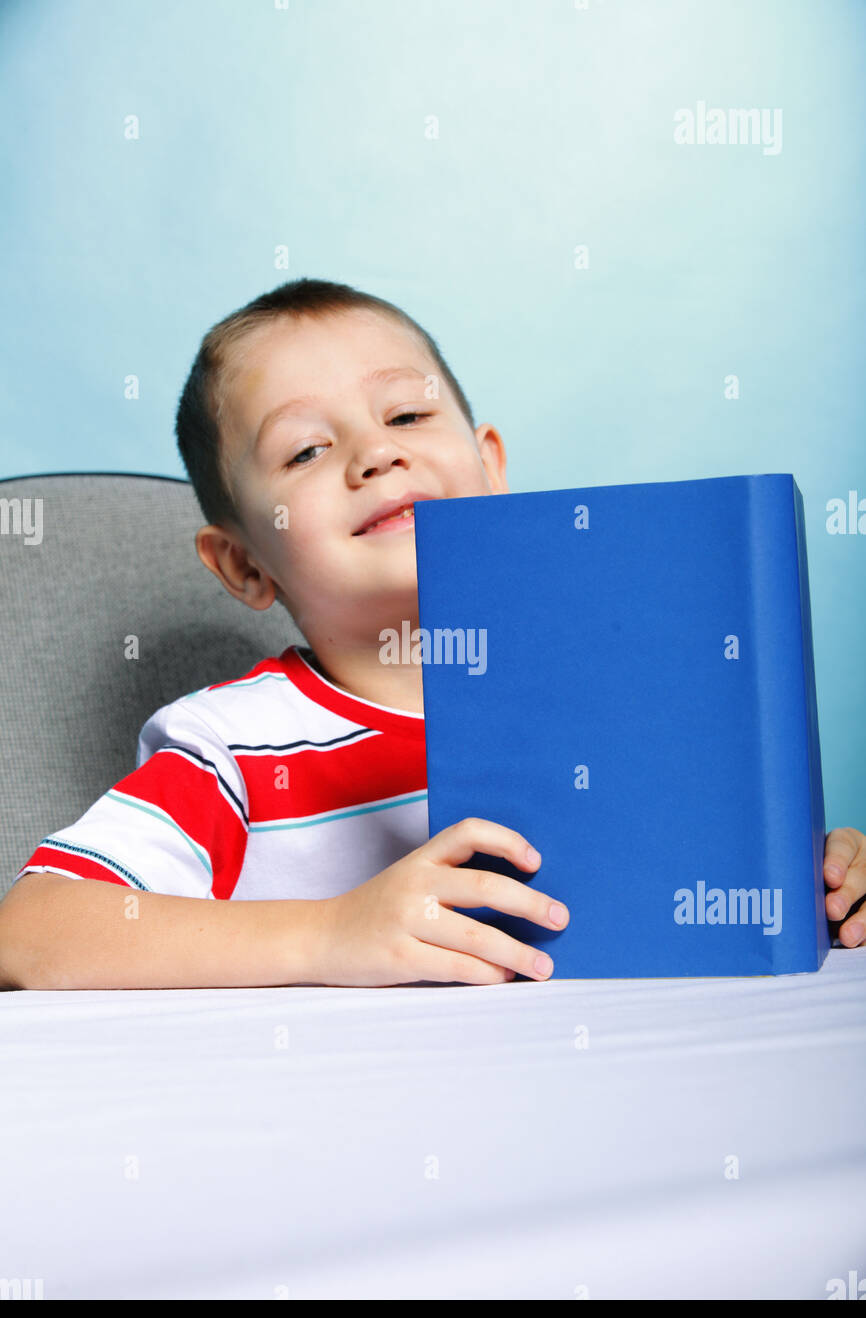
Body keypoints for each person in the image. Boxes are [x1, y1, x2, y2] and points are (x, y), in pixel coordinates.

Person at [0, 279, 863, 989]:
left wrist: (811, 883)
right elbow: (31, 934)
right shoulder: (236, 749)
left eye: (406, 417)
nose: (374, 455)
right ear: (242, 566)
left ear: (490, 465)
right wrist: (330, 934)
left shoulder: (618, 705)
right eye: (305, 451)